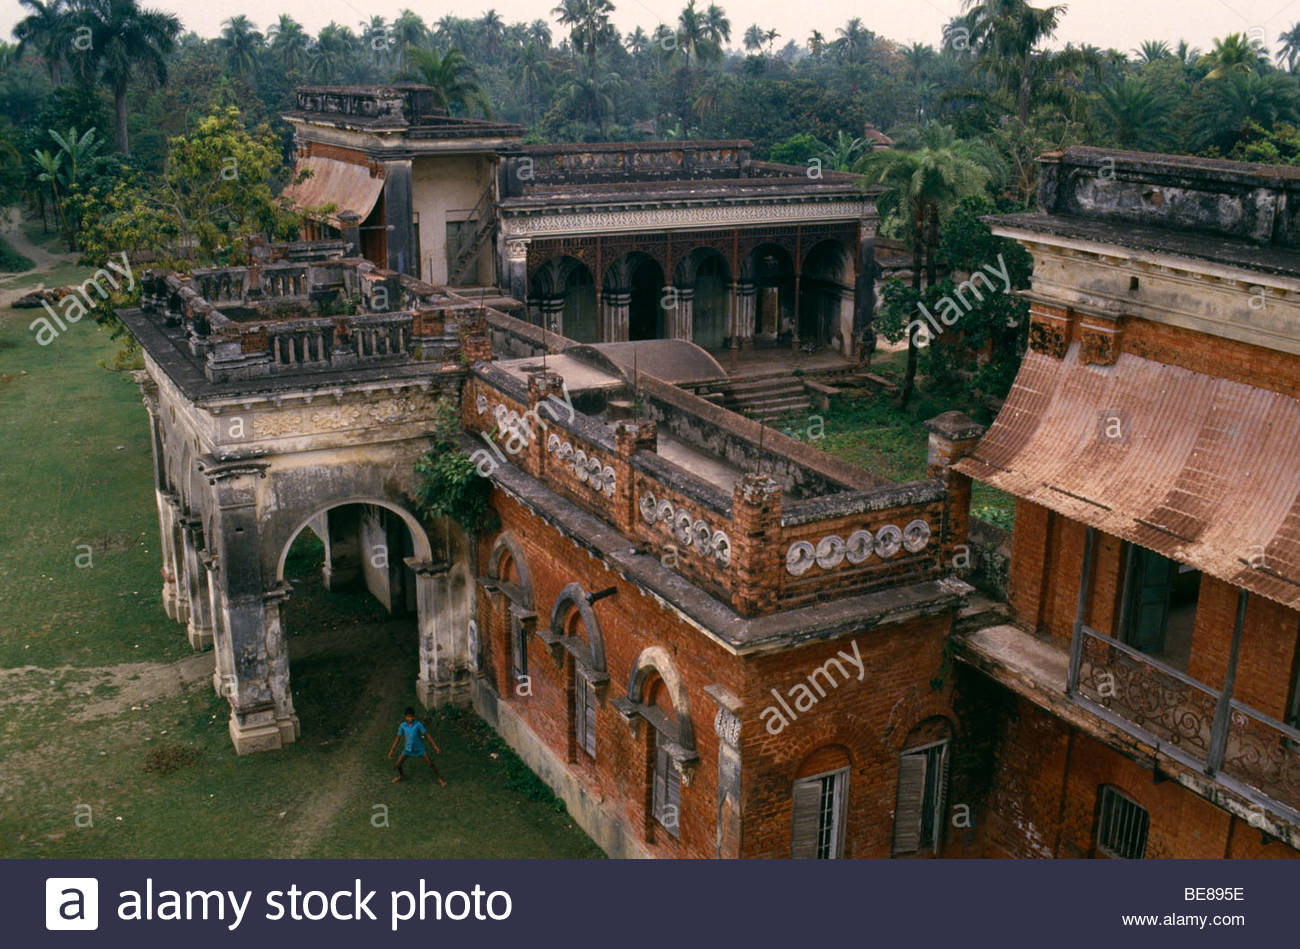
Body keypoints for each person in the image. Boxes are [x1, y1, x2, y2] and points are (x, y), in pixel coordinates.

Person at [387, 707, 447, 786]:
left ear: (414, 717)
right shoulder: (402, 726)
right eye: (408, 716)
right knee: (398, 764)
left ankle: (440, 779)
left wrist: (435, 746)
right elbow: (397, 738)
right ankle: (402, 776)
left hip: (419, 748)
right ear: (405, 717)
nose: (409, 718)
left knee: (430, 763)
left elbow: (427, 735)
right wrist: (392, 750)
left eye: (411, 716)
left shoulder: (418, 724)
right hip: (407, 749)